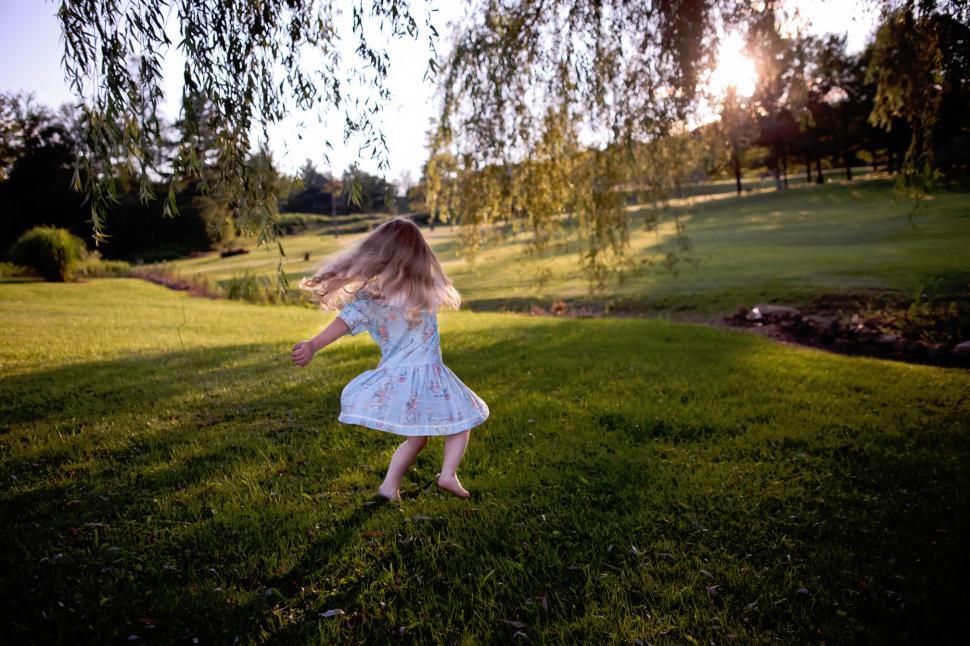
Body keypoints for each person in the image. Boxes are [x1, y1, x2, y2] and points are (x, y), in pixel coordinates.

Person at [290, 218, 489, 503]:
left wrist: (313, 345)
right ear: (419, 254)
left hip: (397, 377)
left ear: (378, 255)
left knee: (418, 438)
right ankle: (447, 474)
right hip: (430, 375)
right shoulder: (426, 290)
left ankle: (388, 487)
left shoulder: (372, 299)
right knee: (462, 419)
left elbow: (343, 323)